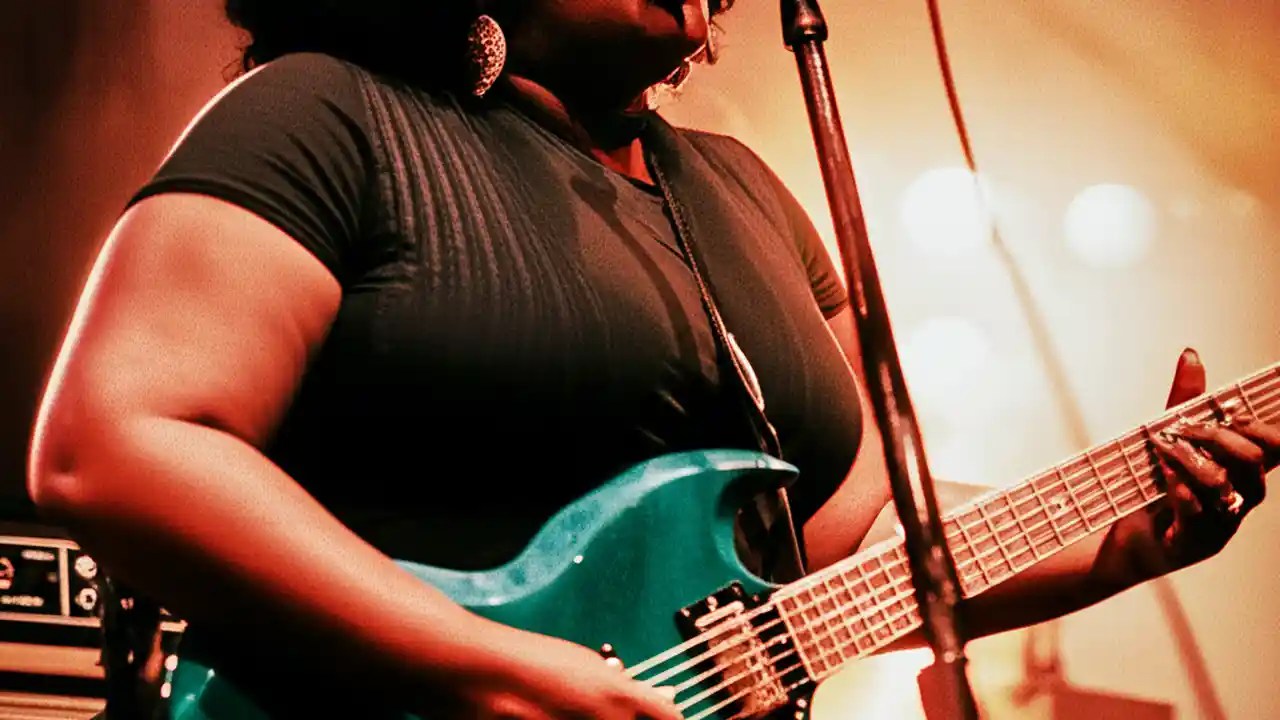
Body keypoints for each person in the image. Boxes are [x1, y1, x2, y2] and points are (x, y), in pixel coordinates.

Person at [26, 1, 1278, 717]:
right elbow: (117, 444)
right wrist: (489, 666)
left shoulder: (742, 194)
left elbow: (838, 542)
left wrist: (1123, 535)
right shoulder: (330, 114)